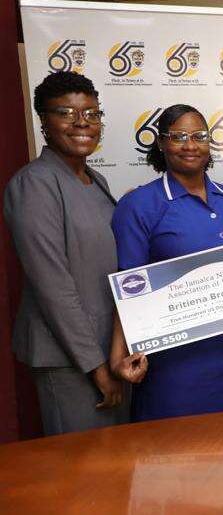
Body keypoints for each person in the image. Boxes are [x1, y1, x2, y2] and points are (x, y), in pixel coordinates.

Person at [109, 104, 223, 421]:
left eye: (199, 136)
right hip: (173, 367)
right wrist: (117, 357)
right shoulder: (138, 205)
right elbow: (127, 287)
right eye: (178, 136)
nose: (190, 145)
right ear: (160, 142)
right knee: (176, 448)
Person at [3, 71, 127, 435]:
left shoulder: (96, 180)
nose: (81, 123)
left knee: (117, 459)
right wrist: (96, 366)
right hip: (70, 357)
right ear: (43, 123)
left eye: (91, 113)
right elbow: (52, 286)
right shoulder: (34, 184)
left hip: (110, 349)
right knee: (83, 462)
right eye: (66, 113)